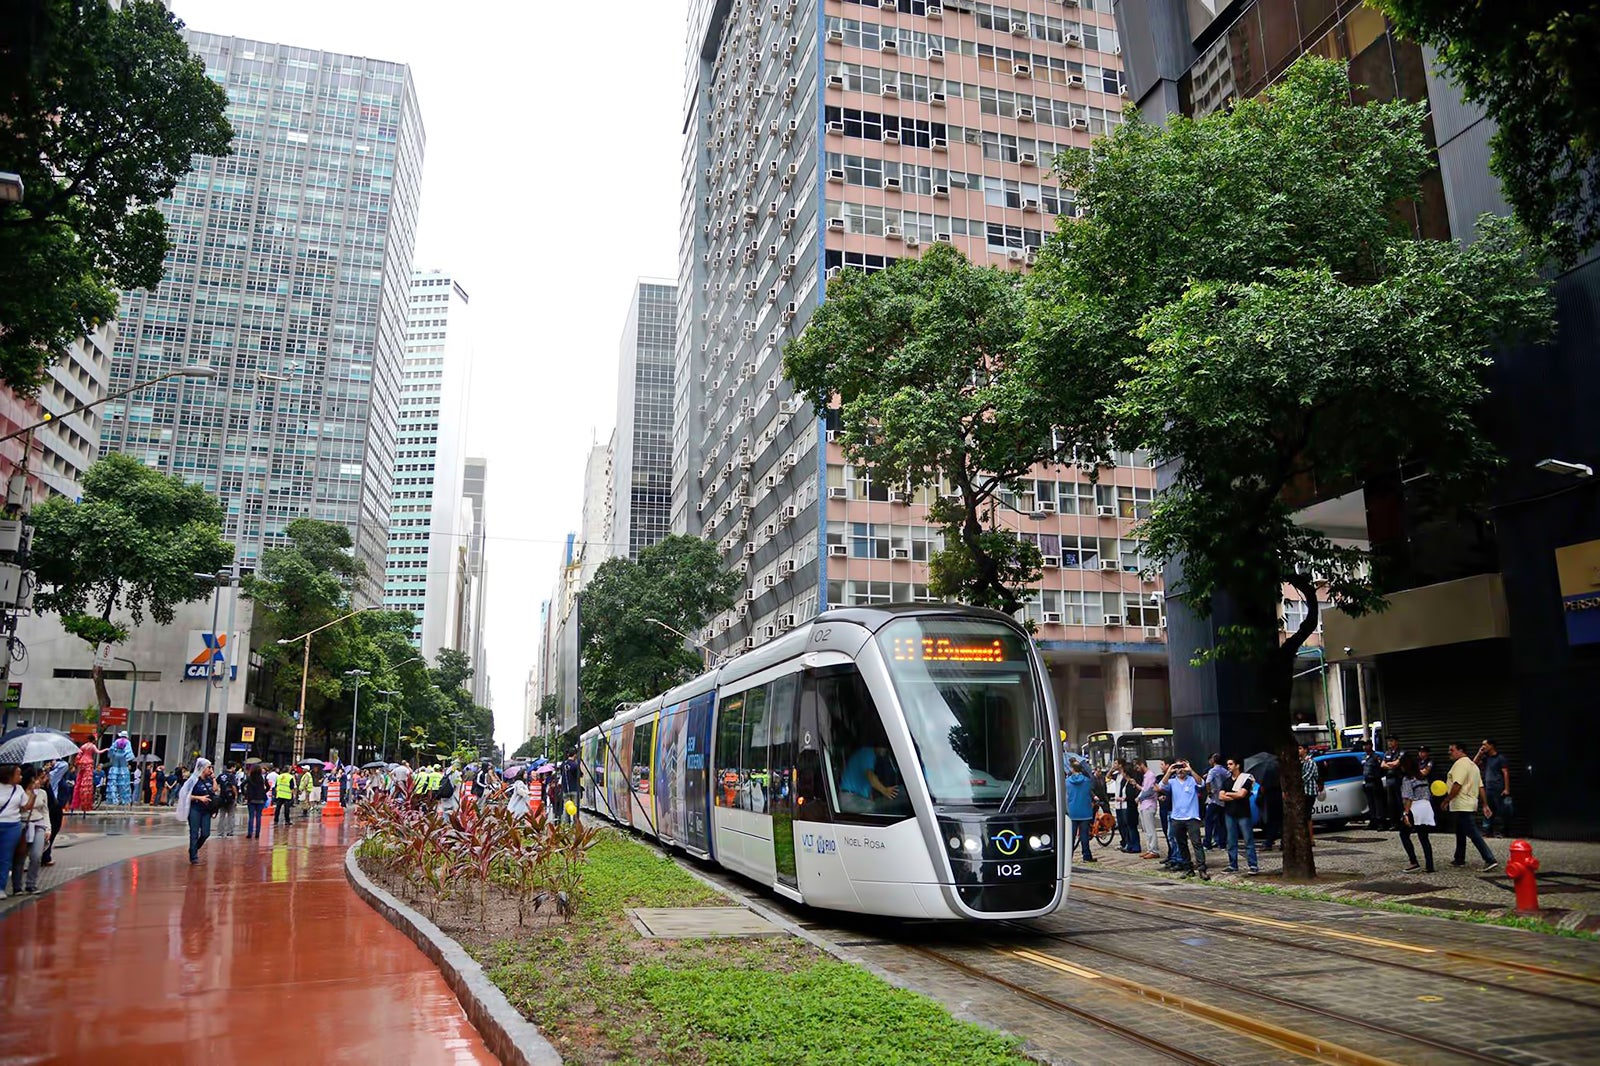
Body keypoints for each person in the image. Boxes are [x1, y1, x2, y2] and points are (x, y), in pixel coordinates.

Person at [1445, 742, 1497, 871]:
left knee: (1472, 832)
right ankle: (1459, 858)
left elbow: (1457, 785)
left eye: (1452, 750)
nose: (1449, 753)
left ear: (1460, 750)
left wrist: (1446, 800)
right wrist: (1485, 804)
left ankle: (1489, 859)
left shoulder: (1460, 764)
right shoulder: (1473, 766)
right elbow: (1480, 787)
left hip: (1461, 803)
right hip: (1469, 803)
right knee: (1460, 831)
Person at [1159, 759, 1209, 879]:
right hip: (1177, 817)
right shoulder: (1172, 781)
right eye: (1178, 767)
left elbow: (1202, 783)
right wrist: (1170, 771)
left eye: (1182, 767)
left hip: (1192, 817)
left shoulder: (1192, 780)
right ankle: (1188, 868)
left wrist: (1190, 770)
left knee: (1196, 843)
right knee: (1181, 844)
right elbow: (1161, 786)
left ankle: (1202, 869)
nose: (1180, 770)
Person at [11, 766, 52, 895]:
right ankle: (17, 886)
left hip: (39, 824)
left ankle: (31, 884)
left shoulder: (42, 793)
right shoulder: (18, 791)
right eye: (39, 778)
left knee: (36, 855)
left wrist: (48, 827)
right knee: (19, 857)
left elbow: (45, 811)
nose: (41, 781)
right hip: (22, 824)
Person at [1396, 752, 1436, 873]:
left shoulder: (1407, 779)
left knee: (1403, 834)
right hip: (1426, 807)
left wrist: (1405, 814)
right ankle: (1430, 865)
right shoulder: (1422, 776)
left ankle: (1413, 862)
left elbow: (1408, 798)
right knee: (1424, 837)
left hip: (1415, 808)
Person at [1219, 758, 1259, 875]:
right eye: (1227, 764)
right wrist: (1234, 795)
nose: (1228, 766)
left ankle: (1253, 865)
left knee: (1248, 840)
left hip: (1243, 814)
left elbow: (1242, 794)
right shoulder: (1226, 781)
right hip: (1229, 813)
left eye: (1231, 764)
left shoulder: (1246, 779)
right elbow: (1221, 796)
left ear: (1237, 765)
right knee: (1231, 841)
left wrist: (1229, 794)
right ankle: (1233, 865)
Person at [176, 758, 216, 864]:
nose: (210, 769)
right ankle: (193, 856)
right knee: (194, 832)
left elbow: (214, 791)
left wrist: (214, 779)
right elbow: (183, 795)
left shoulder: (209, 780)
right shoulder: (193, 780)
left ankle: (194, 848)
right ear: (202, 768)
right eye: (209, 767)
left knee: (205, 833)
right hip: (195, 808)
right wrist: (199, 798)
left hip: (206, 810)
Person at [840, 743, 901, 812]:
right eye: (884, 747)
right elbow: (870, 776)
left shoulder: (871, 756)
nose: (886, 750)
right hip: (850, 797)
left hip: (856, 797)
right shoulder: (867, 753)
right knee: (875, 810)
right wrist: (885, 791)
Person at [1476, 740, 1511, 837]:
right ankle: (1487, 831)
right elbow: (1473, 764)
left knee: (1501, 811)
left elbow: (1505, 773)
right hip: (1488, 788)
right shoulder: (1486, 758)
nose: (1483, 746)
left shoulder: (1500, 758)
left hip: (1498, 788)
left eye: (1485, 744)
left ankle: (1502, 832)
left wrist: (1506, 789)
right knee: (1488, 810)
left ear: (1491, 746)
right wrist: (1479, 753)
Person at [1065, 759, 1095, 863]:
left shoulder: (1067, 782)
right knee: (1084, 835)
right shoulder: (1087, 781)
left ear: (1072, 769)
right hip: (1085, 811)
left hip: (1072, 811)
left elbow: (1066, 796)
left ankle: (1069, 856)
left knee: (1071, 836)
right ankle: (1086, 856)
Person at [0, 764, 23, 898]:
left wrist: (33, 791)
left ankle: (1, 887)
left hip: (13, 826)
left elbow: (25, 806)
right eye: (17, 774)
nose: (20, 777)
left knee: (5, 857)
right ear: (9, 775)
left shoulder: (19, 789)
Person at [1134, 759, 1160, 859]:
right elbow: (1144, 789)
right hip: (1144, 804)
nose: (1137, 769)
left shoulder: (1150, 775)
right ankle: (1150, 849)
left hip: (1149, 804)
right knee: (1146, 829)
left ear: (1141, 764)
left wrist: (1139, 798)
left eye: (1137, 767)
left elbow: (1149, 791)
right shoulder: (1146, 776)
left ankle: (1154, 850)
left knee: (1150, 829)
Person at [69, 739, 105, 812]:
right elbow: (98, 752)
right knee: (86, 783)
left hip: (82, 762)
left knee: (79, 781)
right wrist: (106, 749)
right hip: (88, 763)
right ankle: (85, 803)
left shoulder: (83, 745)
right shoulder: (92, 746)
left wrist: (77, 762)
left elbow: (79, 754)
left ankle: (74, 804)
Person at [1380, 736, 1406, 834]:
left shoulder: (1401, 752)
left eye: (1391, 741)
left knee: (1401, 802)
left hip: (1398, 779)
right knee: (1391, 803)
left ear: (1396, 742)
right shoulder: (1387, 753)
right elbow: (1382, 765)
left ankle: (1403, 822)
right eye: (1388, 741)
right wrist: (1391, 765)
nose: (1389, 743)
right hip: (1389, 780)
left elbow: (1396, 764)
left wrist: (1389, 765)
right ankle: (1394, 823)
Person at [1203, 754, 1228, 849]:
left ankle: (1207, 843)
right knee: (1221, 822)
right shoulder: (1225, 771)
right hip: (1223, 799)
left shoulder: (1212, 770)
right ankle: (1222, 843)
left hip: (1214, 799)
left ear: (1213, 760)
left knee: (1209, 821)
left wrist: (1209, 792)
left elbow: (1208, 782)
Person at [1299, 743, 1323, 840]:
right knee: (1303, 815)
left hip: (1309, 792)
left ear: (1305, 750)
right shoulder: (1301, 762)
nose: (1298, 751)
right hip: (1303, 792)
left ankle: (1310, 838)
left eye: (1300, 748)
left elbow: (1306, 777)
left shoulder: (1310, 762)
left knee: (1307, 815)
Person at [1361, 741, 1386, 829]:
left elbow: (1381, 769)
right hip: (1367, 782)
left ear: (1371, 746)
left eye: (1366, 745)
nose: (1365, 747)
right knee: (1370, 803)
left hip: (1375, 782)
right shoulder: (1364, 757)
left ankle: (1381, 822)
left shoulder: (1376, 757)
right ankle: (1373, 821)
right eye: (1364, 745)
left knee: (1378, 803)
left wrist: (1376, 776)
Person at [106, 732, 134, 805]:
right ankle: (124, 799)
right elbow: (128, 750)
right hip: (123, 756)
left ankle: (113, 798)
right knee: (124, 774)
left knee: (114, 774)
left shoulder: (117, 741)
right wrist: (127, 756)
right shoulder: (127, 742)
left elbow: (111, 749)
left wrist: (112, 754)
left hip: (116, 755)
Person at [214, 763, 239, 837]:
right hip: (230, 798)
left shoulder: (221, 775)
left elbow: (216, 783)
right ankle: (230, 831)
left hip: (222, 797)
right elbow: (233, 786)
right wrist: (236, 795)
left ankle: (220, 832)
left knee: (222, 815)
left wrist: (219, 791)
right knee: (231, 815)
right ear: (232, 767)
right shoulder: (232, 776)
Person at [244, 764, 268, 838]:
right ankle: (257, 833)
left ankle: (250, 833)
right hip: (260, 799)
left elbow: (242, 785)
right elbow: (268, 786)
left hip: (251, 799)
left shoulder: (249, 778)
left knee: (251, 817)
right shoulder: (262, 778)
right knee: (258, 816)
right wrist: (264, 792)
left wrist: (245, 793)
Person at [561, 750, 582, 825]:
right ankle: (576, 824)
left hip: (565, 789)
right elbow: (580, 775)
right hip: (574, 789)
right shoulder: (575, 765)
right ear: (575, 755)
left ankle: (566, 824)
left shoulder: (563, 764)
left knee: (567, 807)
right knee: (575, 807)